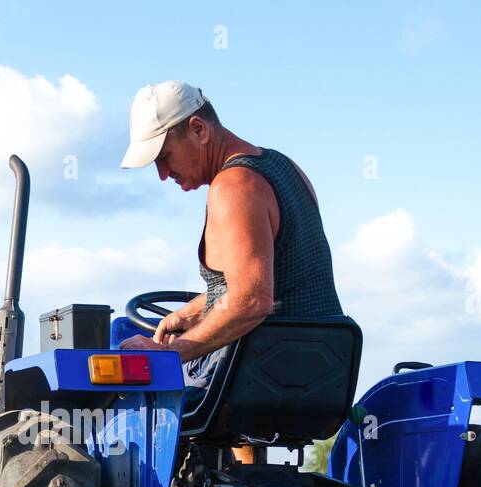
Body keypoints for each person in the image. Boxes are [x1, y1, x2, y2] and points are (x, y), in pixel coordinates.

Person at [118, 81, 344, 430]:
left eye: (164, 157)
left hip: (253, 377)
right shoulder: (285, 167)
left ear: (198, 129)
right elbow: (281, 275)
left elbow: (251, 301)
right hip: (320, 370)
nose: (163, 174)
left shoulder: (233, 187)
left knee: (119, 351)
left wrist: (168, 355)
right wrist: (194, 310)